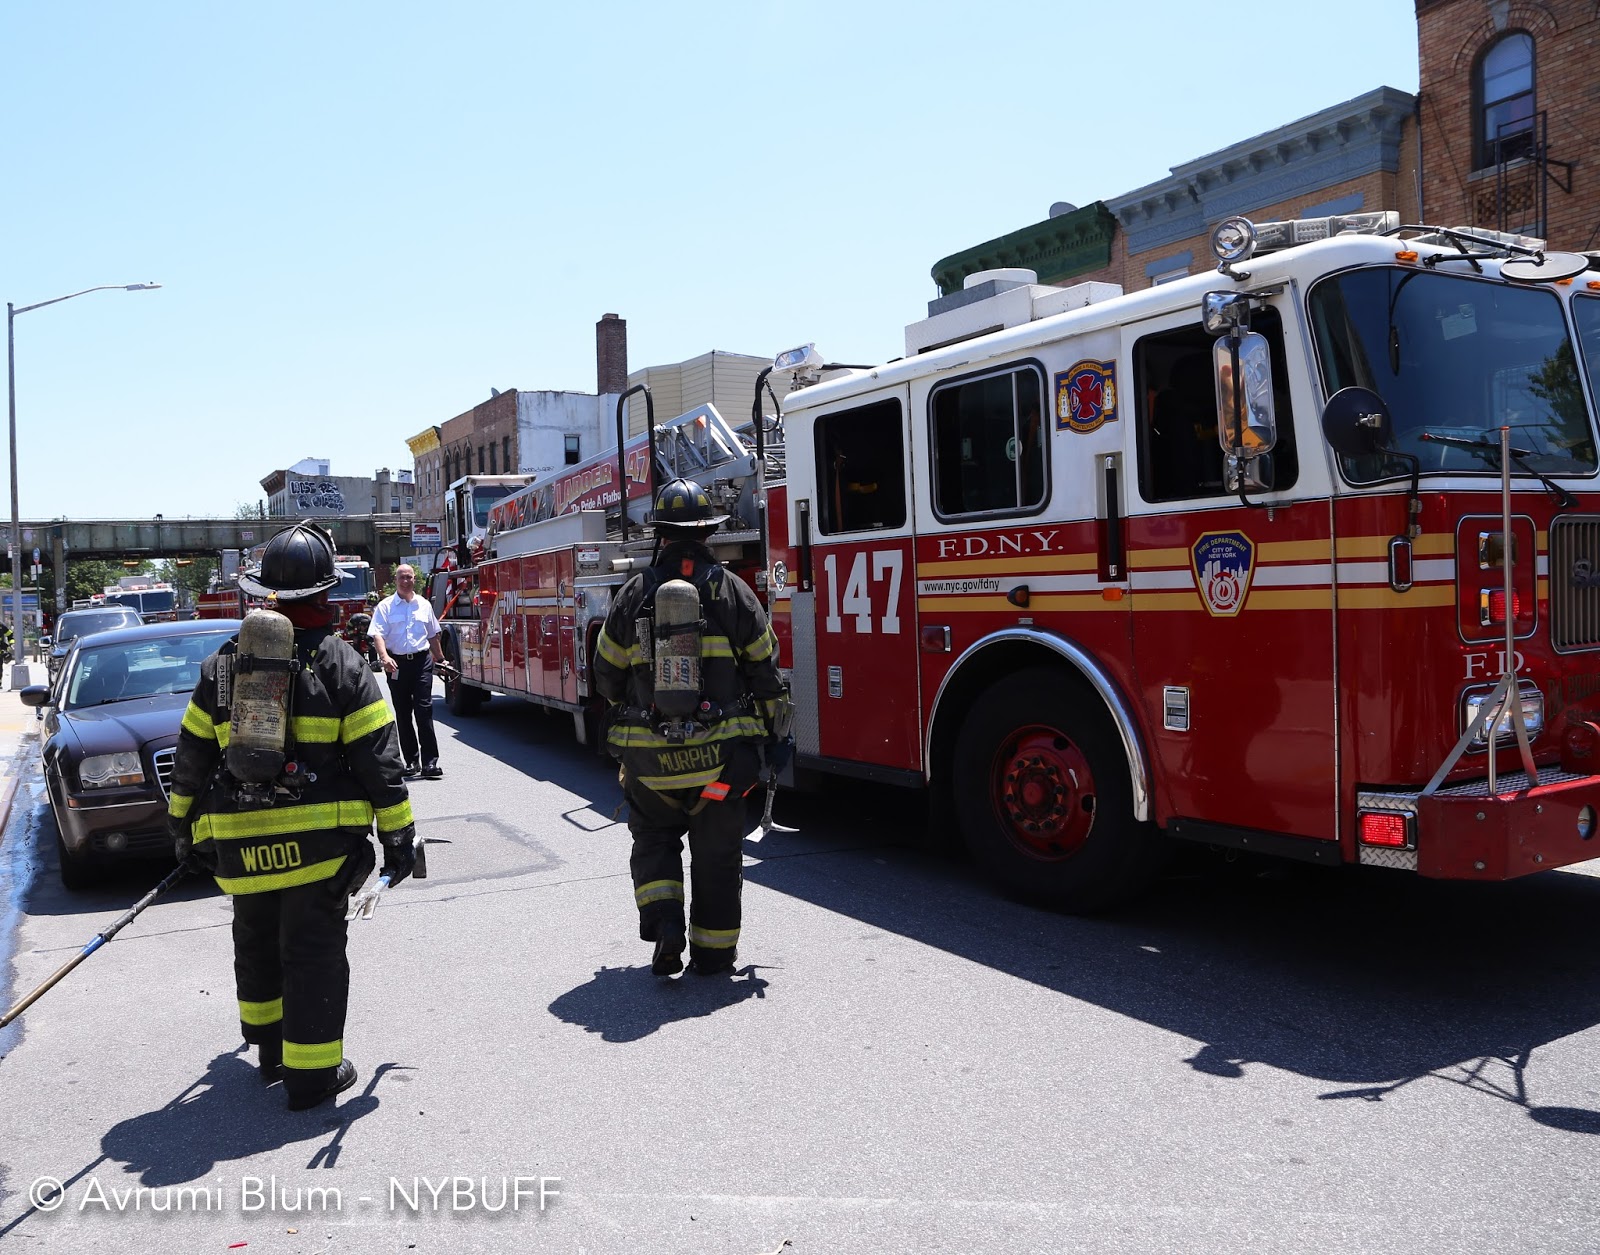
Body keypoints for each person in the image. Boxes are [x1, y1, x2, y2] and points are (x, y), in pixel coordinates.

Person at [166, 522, 416, 1112]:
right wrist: (399, 835)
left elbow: (193, 756)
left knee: (255, 939)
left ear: (264, 595)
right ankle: (312, 1075)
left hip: (240, 848)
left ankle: (271, 1052)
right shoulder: (343, 666)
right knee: (312, 954)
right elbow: (381, 761)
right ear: (326, 594)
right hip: (319, 851)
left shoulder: (221, 669)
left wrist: (182, 828)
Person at [594, 478, 792, 977]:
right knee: (718, 857)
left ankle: (665, 927)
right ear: (709, 532)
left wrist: (638, 708)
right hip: (720, 770)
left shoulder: (633, 592)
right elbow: (767, 673)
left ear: (659, 532)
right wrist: (774, 738)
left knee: (655, 843)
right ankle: (714, 954)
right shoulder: (734, 593)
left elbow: (604, 676)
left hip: (649, 764)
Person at [368, 564, 446, 779]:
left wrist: (441, 660)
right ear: (396, 580)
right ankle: (412, 761)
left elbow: (433, 635)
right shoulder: (385, 607)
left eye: (409, 577)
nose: (405, 581)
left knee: (424, 711)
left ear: (414, 580)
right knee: (403, 714)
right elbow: (378, 636)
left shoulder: (423, 605)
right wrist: (385, 658)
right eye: (402, 577)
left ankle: (431, 763)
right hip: (397, 665)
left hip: (421, 662)